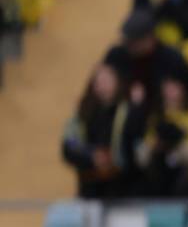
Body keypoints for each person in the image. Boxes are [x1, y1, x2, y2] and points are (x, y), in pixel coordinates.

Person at [61, 63, 145, 199]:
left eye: (107, 80)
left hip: (123, 190)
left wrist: (138, 108)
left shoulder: (128, 111)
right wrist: (91, 155)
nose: (103, 85)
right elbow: (70, 143)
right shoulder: (83, 113)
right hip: (90, 189)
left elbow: (138, 147)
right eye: (99, 81)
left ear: (117, 82)